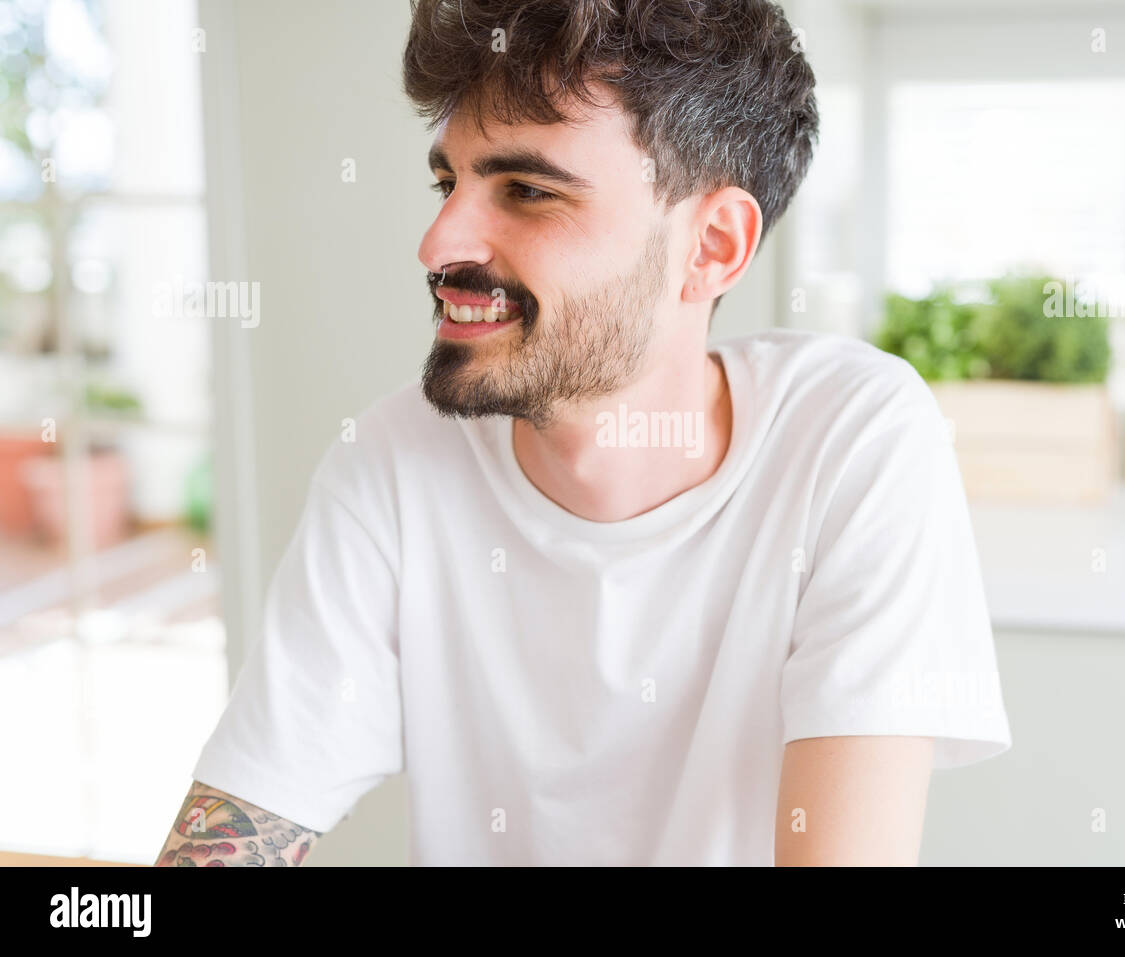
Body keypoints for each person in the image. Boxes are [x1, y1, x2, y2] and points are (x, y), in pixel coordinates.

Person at [156, 0, 1011, 868]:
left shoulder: (852, 438)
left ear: (712, 246)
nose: (438, 241)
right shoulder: (392, 462)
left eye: (527, 190)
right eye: (448, 183)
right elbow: (231, 839)